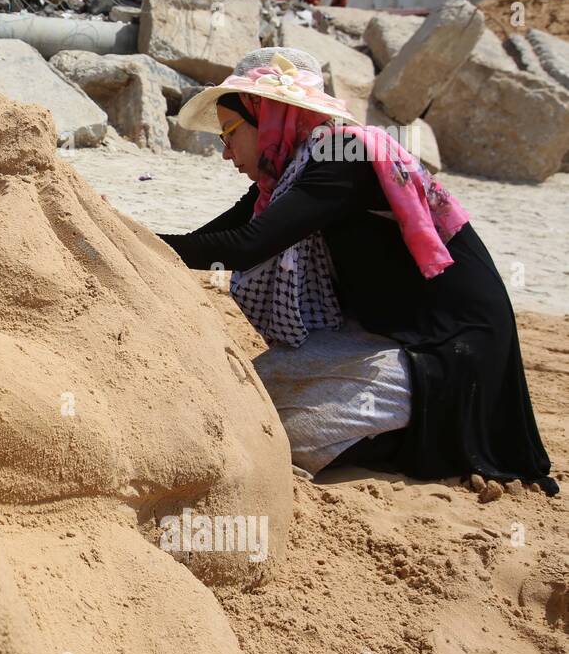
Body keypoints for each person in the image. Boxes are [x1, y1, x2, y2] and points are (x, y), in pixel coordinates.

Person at [158, 47, 557, 495]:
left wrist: (143, 244)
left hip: (450, 344)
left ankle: (434, 437)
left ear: (268, 115)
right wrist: (128, 234)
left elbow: (247, 246)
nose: (227, 153)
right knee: (249, 396)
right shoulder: (295, 169)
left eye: (229, 134)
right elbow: (212, 235)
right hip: (386, 333)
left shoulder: (343, 157)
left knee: (281, 435)